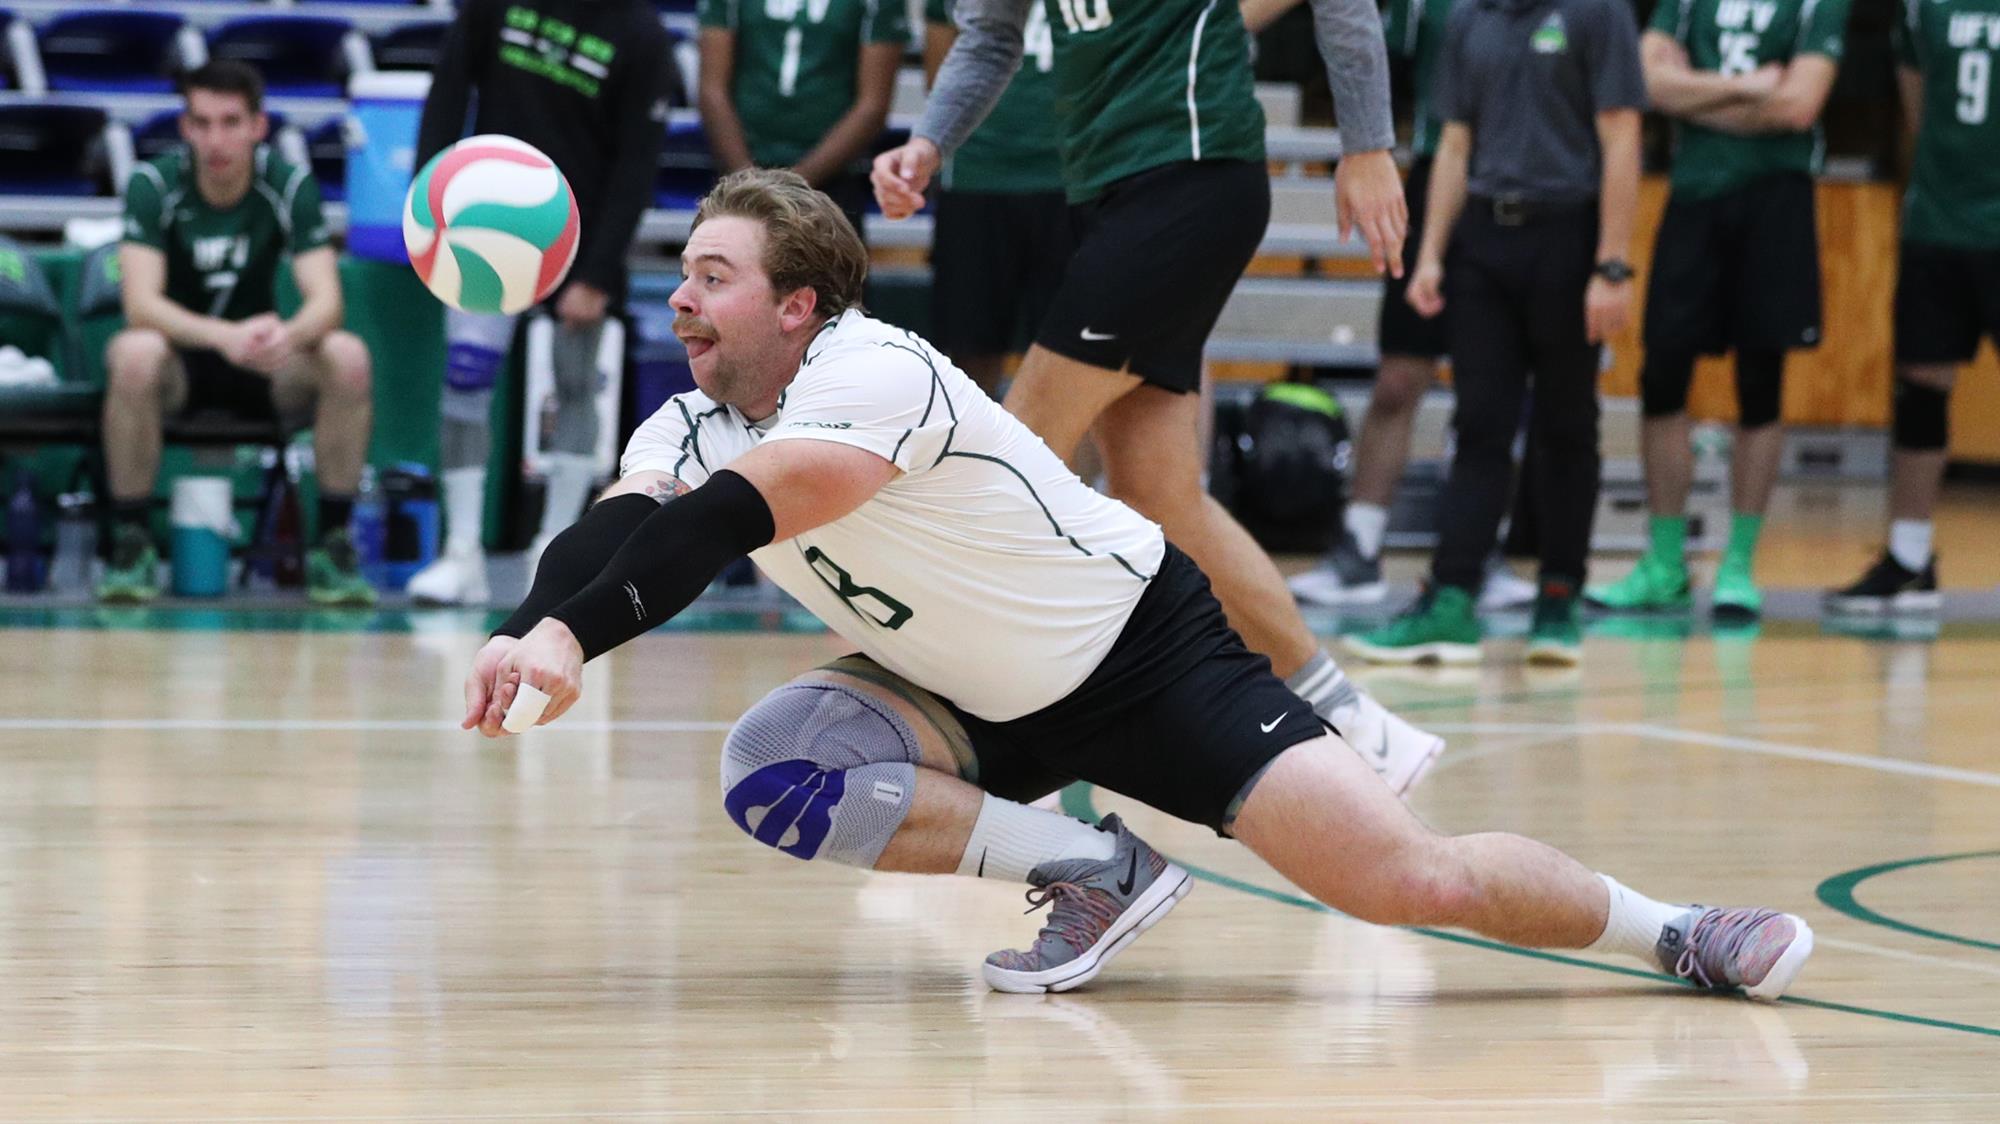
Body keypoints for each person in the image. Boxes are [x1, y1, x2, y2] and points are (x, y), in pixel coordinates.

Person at [463, 169, 1813, 1000]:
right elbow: (617, 531)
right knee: (779, 764)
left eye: (715, 276)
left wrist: (578, 639)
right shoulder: (690, 419)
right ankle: (1097, 868)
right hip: (961, 689)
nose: (683, 299)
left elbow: (731, 520)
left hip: (1142, 655)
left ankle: (1676, 928)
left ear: (800, 305)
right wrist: (536, 624)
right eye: (684, 274)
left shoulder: (872, 371)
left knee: (1407, 881)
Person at [870, 0, 1446, 787]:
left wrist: (1368, 144)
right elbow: (993, 34)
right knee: (1160, 496)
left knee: (1014, 446)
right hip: (1109, 193)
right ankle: (1357, 723)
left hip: (1193, 176)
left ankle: (977, 725)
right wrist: (931, 140)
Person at [1346, 0, 1647, 666]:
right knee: (1480, 424)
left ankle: (1559, 598)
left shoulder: (1598, 13)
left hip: (1568, 236)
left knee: (1568, 426)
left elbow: (1622, 134)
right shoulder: (1469, 17)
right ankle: (1453, 599)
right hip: (1483, 240)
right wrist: (1431, 256)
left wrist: (1613, 264)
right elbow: (1454, 143)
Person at [1587, 0, 1849, 621]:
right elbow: (1645, 84)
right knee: (1662, 379)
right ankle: (1665, 563)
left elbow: (1798, 106)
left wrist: (1695, 95)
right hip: (1694, 196)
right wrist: (1745, 90)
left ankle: (1738, 566)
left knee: (1761, 383)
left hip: (1776, 201)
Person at [407, 0, 675, 605]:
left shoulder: (640, 33)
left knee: (575, 385)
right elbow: (446, 94)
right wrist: (430, 211)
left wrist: (600, 270)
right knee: (466, 380)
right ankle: (462, 555)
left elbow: (637, 163)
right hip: (483, 229)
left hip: (579, 237)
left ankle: (555, 557)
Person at [1286, 0, 1536, 611]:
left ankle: (1481, 552)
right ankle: (1358, 551)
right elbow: (1355, 40)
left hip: (1523, 185)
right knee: (1399, 378)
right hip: (1434, 176)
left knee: (1494, 392)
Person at [98, 61, 374, 606]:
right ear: (184, 128)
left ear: (258, 126)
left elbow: (327, 302)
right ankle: (131, 544)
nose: (215, 139)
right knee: (133, 352)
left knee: (347, 356)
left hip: (263, 364)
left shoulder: (288, 186)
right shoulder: (152, 185)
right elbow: (141, 304)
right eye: (201, 123)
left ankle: (333, 545)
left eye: (230, 122)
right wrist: (222, 335)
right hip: (180, 364)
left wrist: (287, 337)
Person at [1826, 0, 1999, 613]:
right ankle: (1909, 556)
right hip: (1939, 223)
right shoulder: (1923, 7)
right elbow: (1917, 109)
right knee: (1921, 384)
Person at [920, 0, 1067, 397]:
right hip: (977, 175)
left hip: (1074, 176)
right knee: (970, 350)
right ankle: (973, 458)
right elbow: (939, 80)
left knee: (1077, 356)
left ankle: (1071, 464)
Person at [697, 0, 908, 238]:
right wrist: (748, 183)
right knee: (720, 265)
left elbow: (872, 107)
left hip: (831, 182)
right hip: (737, 178)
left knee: (833, 271)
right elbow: (712, 91)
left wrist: (790, 187)